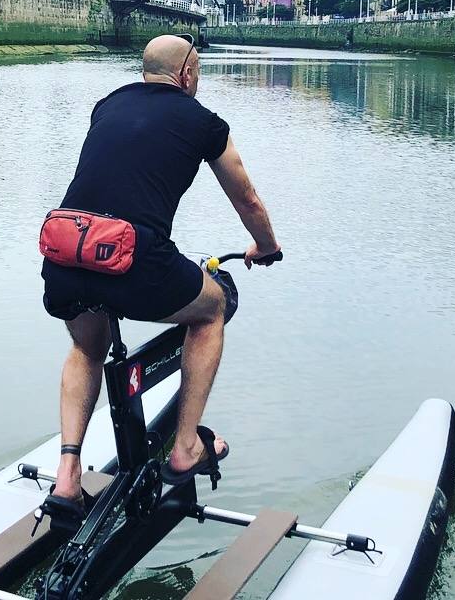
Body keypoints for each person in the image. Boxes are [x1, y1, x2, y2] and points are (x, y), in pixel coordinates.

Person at [41, 34, 280, 518]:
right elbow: (247, 197)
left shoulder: (107, 105)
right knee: (211, 309)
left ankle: (66, 476)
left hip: (67, 252)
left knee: (88, 347)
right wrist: (268, 247)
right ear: (187, 74)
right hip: (133, 259)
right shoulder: (204, 122)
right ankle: (186, 446)